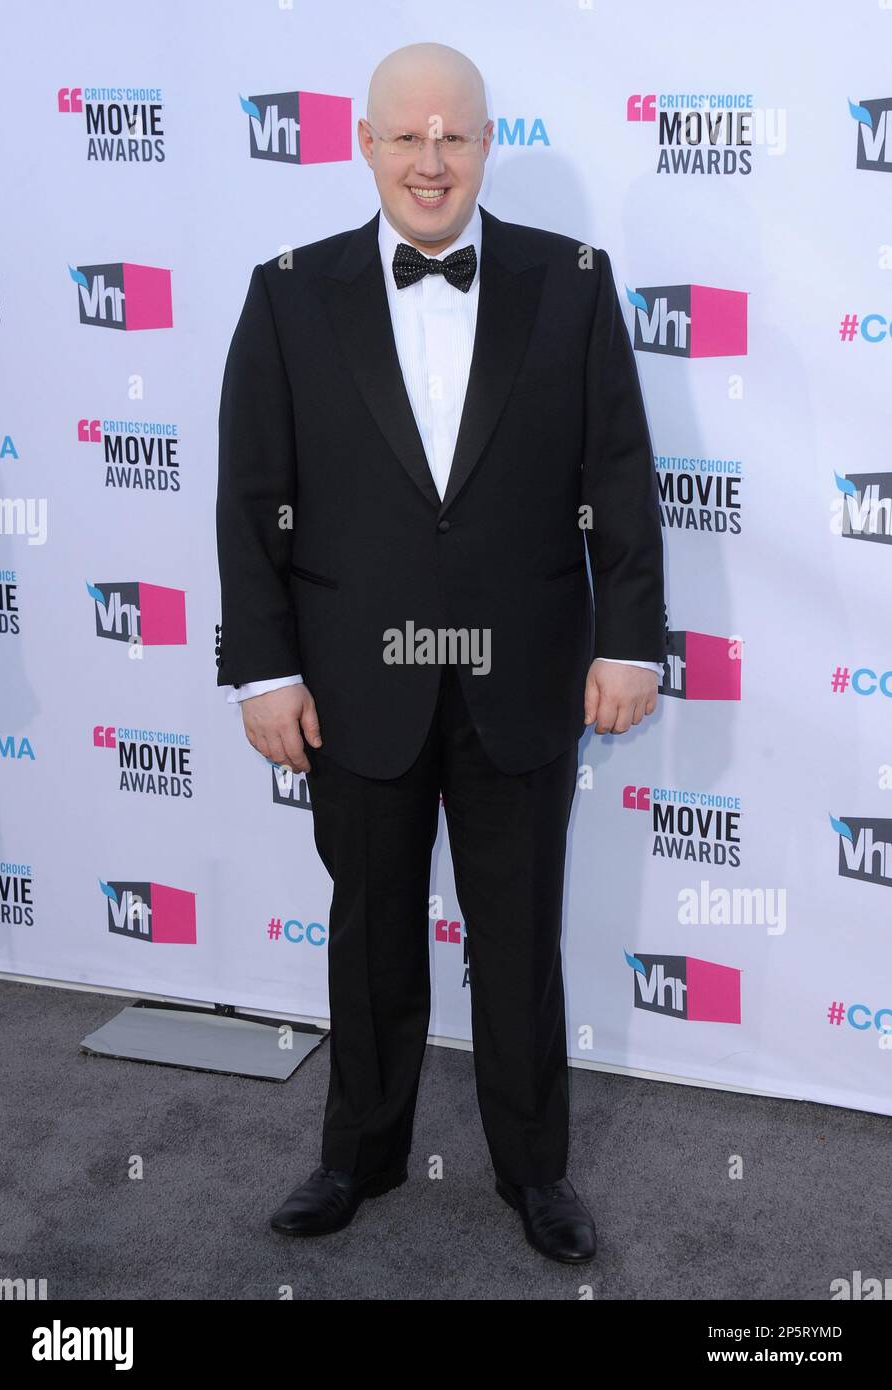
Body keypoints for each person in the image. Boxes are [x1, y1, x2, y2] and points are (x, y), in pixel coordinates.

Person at [215, 41, 666, 1265]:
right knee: (369, 933)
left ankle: (537, 1175)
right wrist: (262, 670)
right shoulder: (287, 291)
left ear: (485, 144)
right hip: (350, 683)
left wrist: (631, 641)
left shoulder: (567, 282)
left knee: (517, 937)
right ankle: (354, 1157)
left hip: (521, 673)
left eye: (453, 135)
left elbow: (617, 478)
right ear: (364, 143)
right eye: (405, 135)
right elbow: (253, 496)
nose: (430, 159)